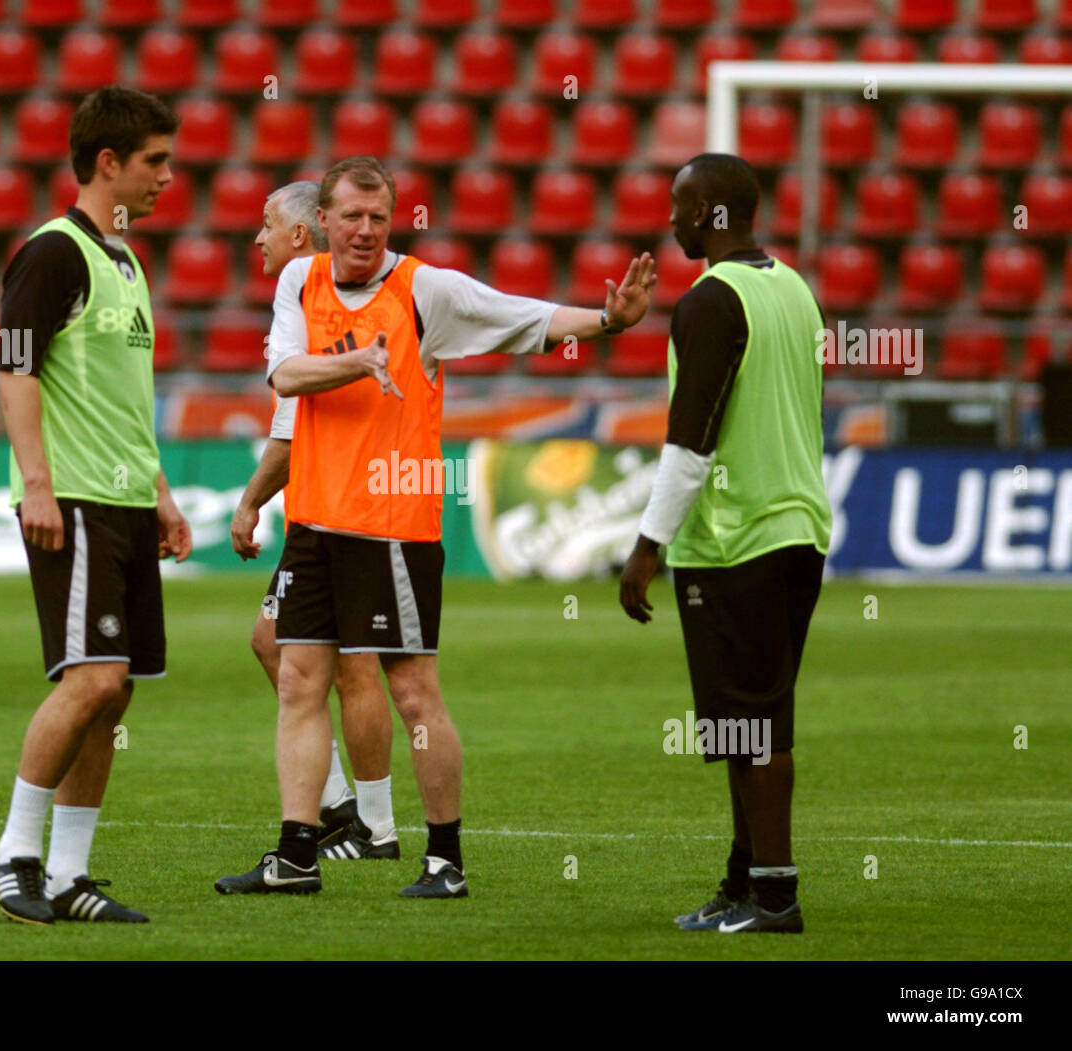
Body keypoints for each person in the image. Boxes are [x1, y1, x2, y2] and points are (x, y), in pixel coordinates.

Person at [216, 155, 657, 898]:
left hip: (391, 518)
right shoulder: (300, 281)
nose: (364, 230)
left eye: (378, 217)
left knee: (414, 690)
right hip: (316, 520)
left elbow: (527, 316)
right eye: (351, 216)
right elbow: (286, 376)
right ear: (321, 221)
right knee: (296, 677)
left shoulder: (428, 291)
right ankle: (296, 853)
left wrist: (609, 319)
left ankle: (445, 858)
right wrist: (360, 361)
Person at [0, 86, 192, 925]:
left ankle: (70, 875)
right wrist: (37, 482)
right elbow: (13, 367)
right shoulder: (53, 252)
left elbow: (122, 398)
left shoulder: (127, 261)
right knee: (91, 679)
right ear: (107, 162)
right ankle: (11, 855)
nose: (167, 177)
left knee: (118, 691)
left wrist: (163, 495)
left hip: (126, 501)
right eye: (155, 161)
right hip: (71, 499)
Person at [619, 153, 831, 934]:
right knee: (752, 716)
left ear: (711, 212)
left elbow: (691, 439)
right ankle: (744, 881)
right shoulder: (794, 288)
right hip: (798, 524)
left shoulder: (711, 300)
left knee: (756, 720)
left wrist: (648, 546)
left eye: (679, 205)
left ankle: (774, 894)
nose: (670, 218)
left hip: (737, 536)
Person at [230, 180, 400, 860]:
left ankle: (376, 826)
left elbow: (293, 433)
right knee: (275, 644)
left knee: (354, 666)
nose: (258, 238)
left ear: (301, 233)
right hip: (321, 508)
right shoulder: (301, 298)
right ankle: (339, 806)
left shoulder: (318, 294)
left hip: (352, 506)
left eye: (267, 224)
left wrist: (248, 502)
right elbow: (291, 422)